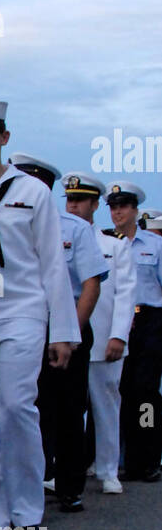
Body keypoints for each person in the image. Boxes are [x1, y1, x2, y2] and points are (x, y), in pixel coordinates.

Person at [0, 104, 77, 530]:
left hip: (23, 310)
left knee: (16, 407)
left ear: (4, 138)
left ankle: (26, 509)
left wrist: (62, 331)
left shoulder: (33, 192)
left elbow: (53, 265)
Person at [11, 154, 105, 512]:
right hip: (20, 322)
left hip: (63, 325)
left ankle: (69, 486)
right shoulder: (4, 222)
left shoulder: (74, 228)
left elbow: (91, 285)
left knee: (67, 411)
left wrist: (68, 333)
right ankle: (29, 485)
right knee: (27, 409)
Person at [62, 175, 136, 495]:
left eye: (80, 200)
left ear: (95, 205)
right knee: (65, 408)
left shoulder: (113, 245)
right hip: (66, 336)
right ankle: (67, 469)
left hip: (104, 337)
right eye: (69, 200)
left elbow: (125, 294)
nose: (73, 206)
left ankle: (107, 469)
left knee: (105, 406)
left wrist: (119, 336)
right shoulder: (55, 240)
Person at [105, 181, 162, 482]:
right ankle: (126, 460)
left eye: (123, 206)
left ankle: (149, 459)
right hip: (116, 322)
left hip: (149, 323)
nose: (117, 212)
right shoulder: (105, 244)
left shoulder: (155, 245)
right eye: (113, 207)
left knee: (146, 394)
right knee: (121, 391)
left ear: (135, 210)